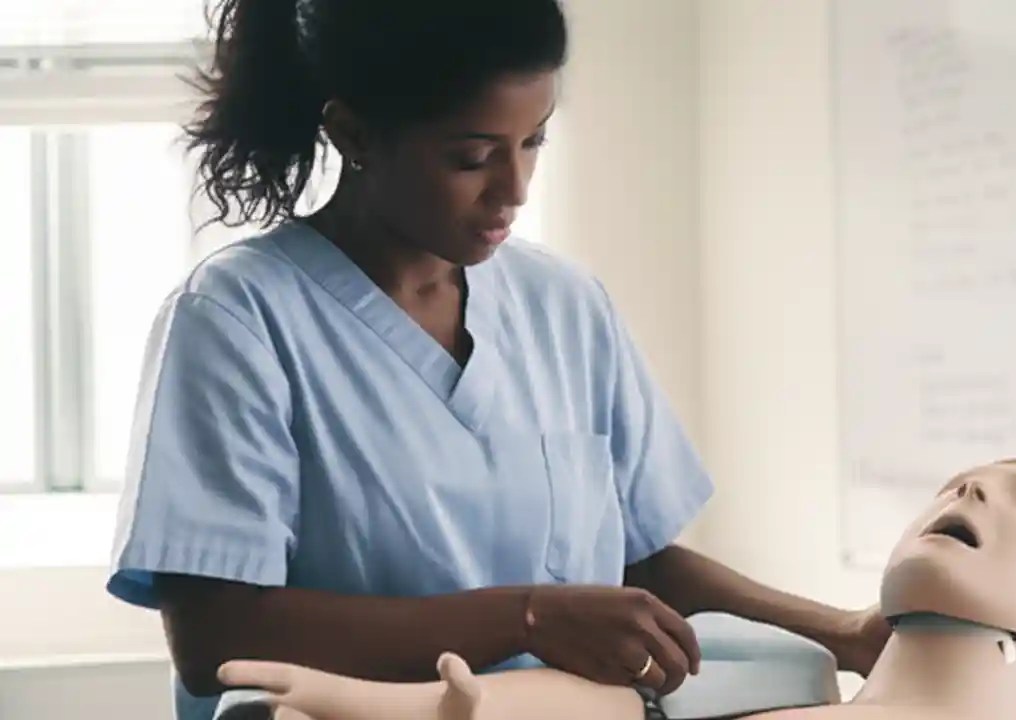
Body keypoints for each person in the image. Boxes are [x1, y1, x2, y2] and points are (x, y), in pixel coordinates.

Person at [105, 2, 890, 720]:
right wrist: (527, 617)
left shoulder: (565, 304)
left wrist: (847, 635)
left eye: (535, 140)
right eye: (472, 157)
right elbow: (216, 638)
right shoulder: (239, 317)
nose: (513, 189)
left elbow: (641, 564)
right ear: (354, 136)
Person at [213, 458, 1016, 720]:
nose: (964, 492)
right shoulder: (772, 668)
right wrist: (382, 707)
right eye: (957, 482)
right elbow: (586, 705)